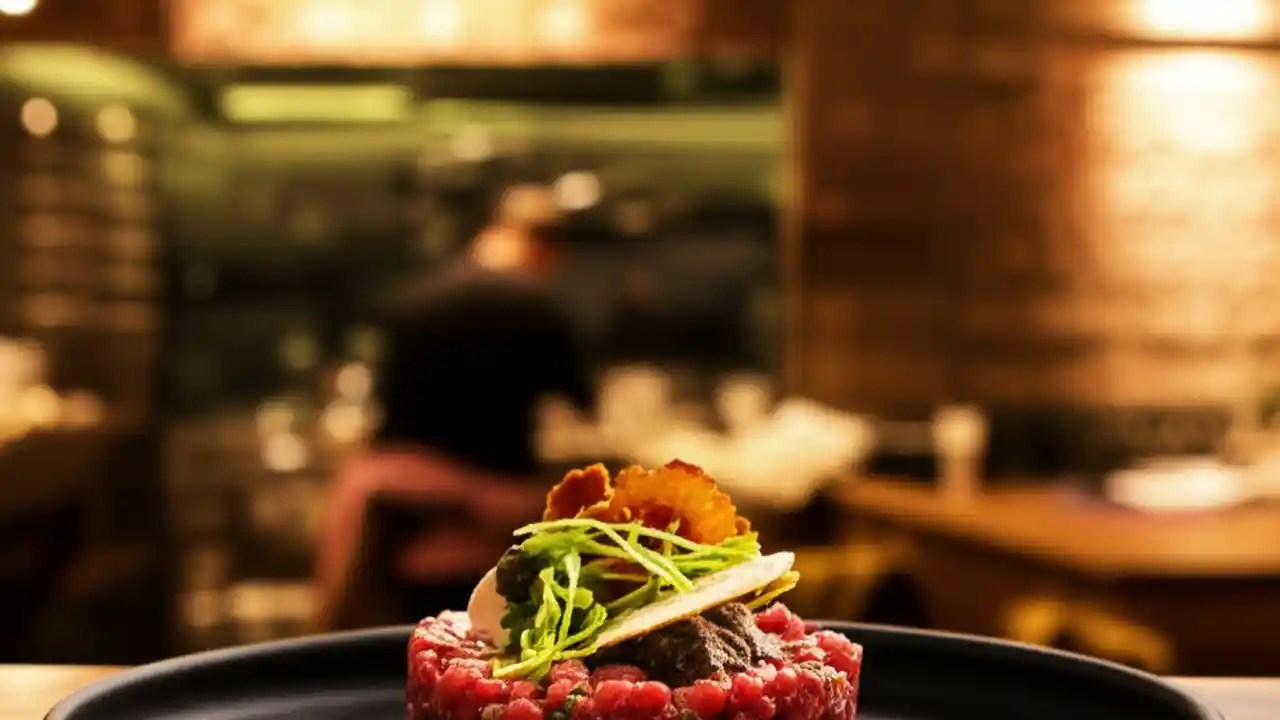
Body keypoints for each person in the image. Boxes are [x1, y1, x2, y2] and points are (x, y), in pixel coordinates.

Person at [315, 185, 594, 630]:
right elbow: (582, 404)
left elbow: (384, 407)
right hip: (491, 522)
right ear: (549, 248)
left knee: (409, 647)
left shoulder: (415, 297)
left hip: (404, 515)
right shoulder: (539, 307)